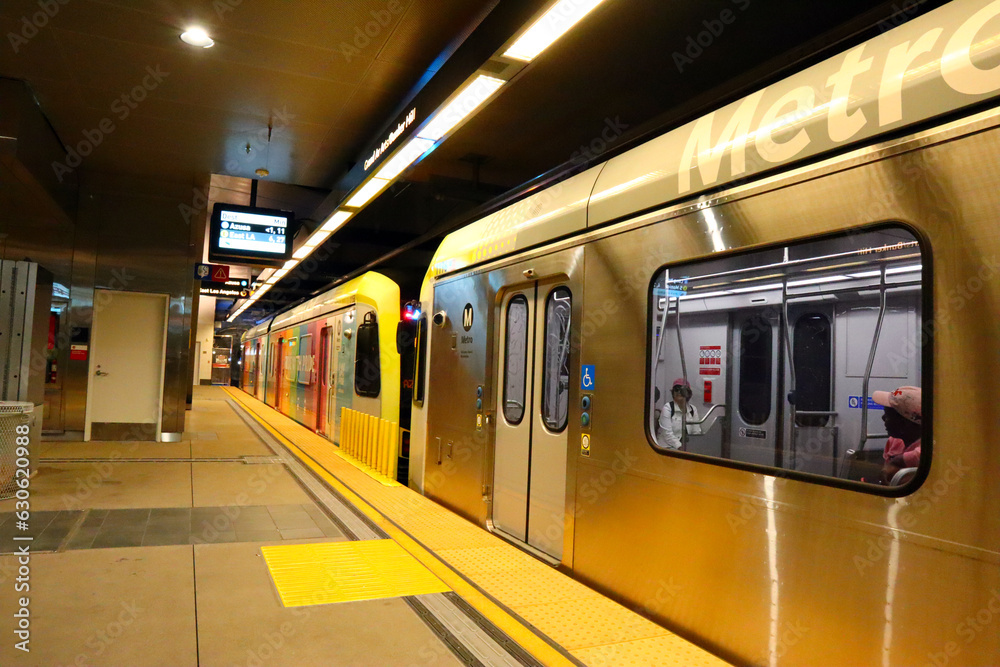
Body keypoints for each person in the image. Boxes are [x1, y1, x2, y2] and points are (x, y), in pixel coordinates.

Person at [872, 386, 922, 485]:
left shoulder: (931, 446)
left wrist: (898, 461)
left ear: (905, 423)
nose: (883, 418)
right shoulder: (894, 442)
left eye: (888, 415)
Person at [657, 378, 701, 450]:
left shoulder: (693, 409)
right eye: (676, 389)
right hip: (667, 448)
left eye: (682, 390)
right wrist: (680, 447)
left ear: (688, 393)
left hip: (685, 448)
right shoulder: (668, 408)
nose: (679, 392)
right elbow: (667, 434)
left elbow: (696, 431)